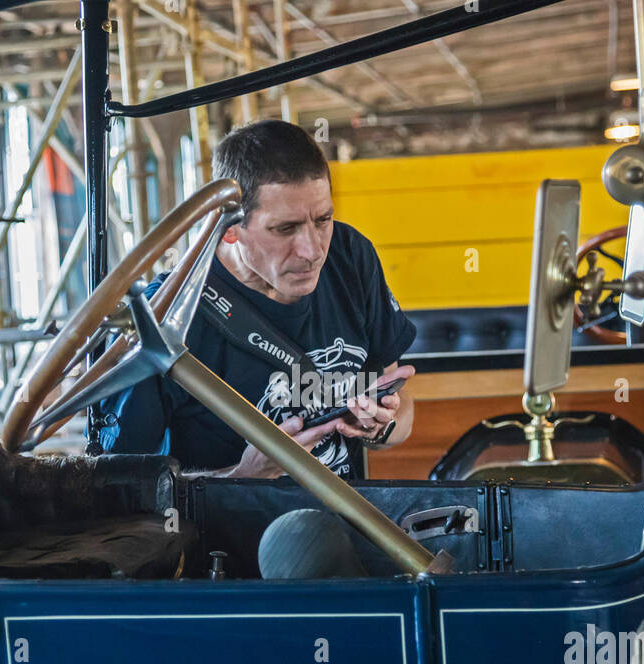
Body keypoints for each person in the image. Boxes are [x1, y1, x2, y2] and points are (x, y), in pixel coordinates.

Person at [100, 119, 418, 480]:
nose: (312, 250)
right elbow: (116, 488)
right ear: (230, 227)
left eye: (323, 219)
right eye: (285, 229)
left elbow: (402, 414)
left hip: (346, 523)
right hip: (229, 535)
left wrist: (381, 425)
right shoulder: (163, 319)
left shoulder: (350, 256)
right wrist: (242, 476)